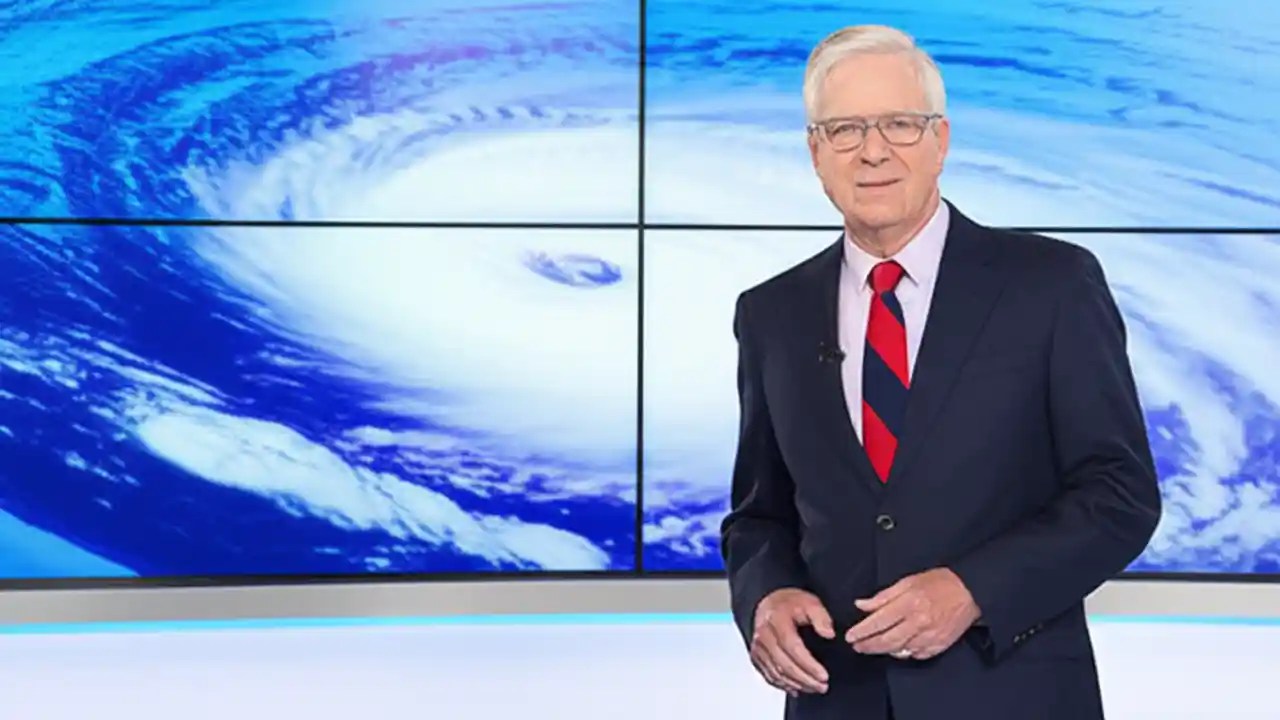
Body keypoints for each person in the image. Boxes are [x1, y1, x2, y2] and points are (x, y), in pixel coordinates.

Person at [719, 24, 1162, 720]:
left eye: (899, 124)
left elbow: (1120, 494)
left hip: (1015, 695)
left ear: (941, 141)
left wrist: (973, 590)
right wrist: (765, 594)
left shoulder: (1051, 285)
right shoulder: (771, 314)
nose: (873, 151)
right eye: (845, 130)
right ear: (815, 152)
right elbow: (759, 515)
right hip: (839, 699)